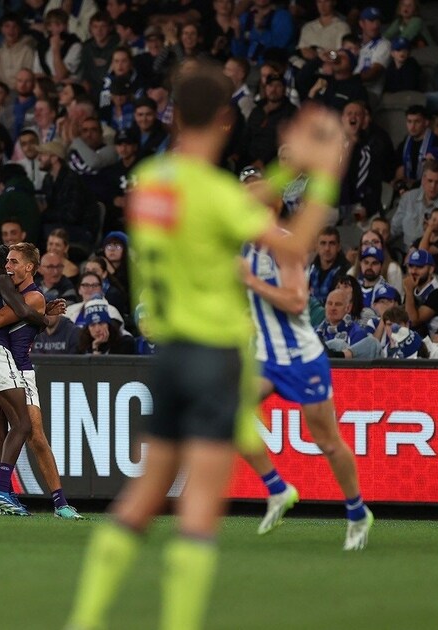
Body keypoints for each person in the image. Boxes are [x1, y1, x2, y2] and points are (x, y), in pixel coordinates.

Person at [66, 66, 344, 630]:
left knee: (141, 501)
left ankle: (86, 618)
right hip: (214, 356)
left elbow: (231, 200)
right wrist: (326, 171)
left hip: (166, 354)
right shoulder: (218, 195)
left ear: (171, 116)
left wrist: (287, 167)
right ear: (225, 120)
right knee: (198, 517)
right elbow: (297, 243)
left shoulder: (149, 182)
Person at [239, 231, 370, 547]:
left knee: (327, 441)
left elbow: (297, 300)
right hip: (267, 355)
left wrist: (252, 282)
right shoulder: (241, 245)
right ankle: (277, 489)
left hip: (302, 357)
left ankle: (357, 512)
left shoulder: (284, 246)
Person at [0, 243, 81, 518]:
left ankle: (60, 504)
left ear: (29, 267)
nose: (9, 267)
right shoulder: (6, 291)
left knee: (35, 436)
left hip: (19, 372)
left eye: (14, 262)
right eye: (8, 261)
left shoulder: (33, 296)